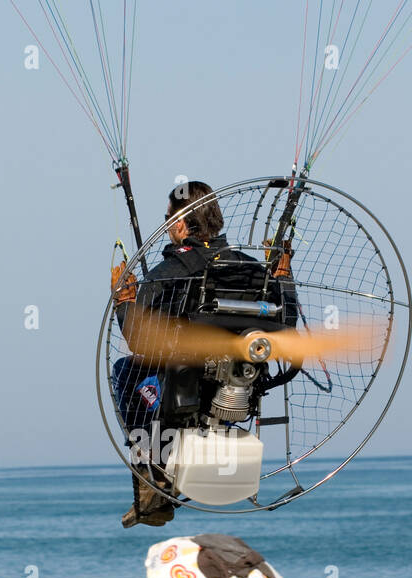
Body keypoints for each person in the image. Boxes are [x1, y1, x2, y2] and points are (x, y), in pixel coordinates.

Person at [112, 181, 298, 528]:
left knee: (126, 369)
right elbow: (286, 323)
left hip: (184, 389)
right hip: (236, 390)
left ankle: (150, 477)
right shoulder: (253, 270)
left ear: (181, 224)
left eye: (169, 218)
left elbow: (138, 338)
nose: (167, 225)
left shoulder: (169, 272)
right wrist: (283, 277)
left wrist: (123, 300)